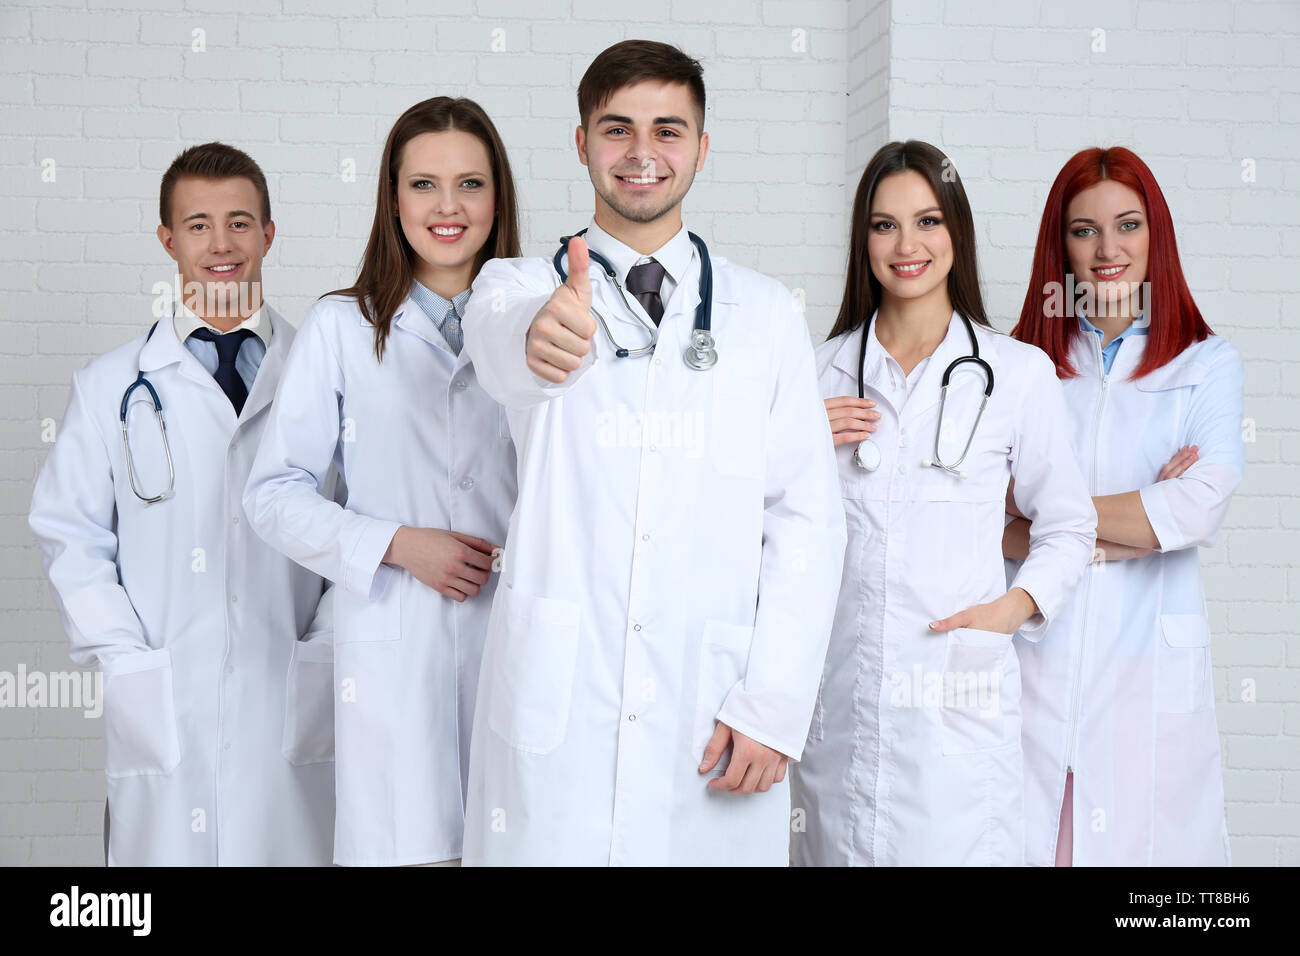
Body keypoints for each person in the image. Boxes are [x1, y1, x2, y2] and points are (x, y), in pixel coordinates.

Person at [459, 40, 846, 866]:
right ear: (581, 143)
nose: (642, 153)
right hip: (557, 714)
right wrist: (540, 338)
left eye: (668, 130)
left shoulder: (766, 314)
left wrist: (772, 706)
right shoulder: (514, 287)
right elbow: (502, 349)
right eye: (617, 129)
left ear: (702, 148)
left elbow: (808, 521)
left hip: (710, 713)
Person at [790, 140, 1097, 866]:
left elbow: (1069, 526)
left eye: (928, 221)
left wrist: (1009, 612)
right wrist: (794, 442)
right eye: (884, 224)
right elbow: (769, 527)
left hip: (957, 699)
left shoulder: (1016, 375)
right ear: (863, 240)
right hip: (842, 695)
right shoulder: (817, 372)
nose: (907, 245)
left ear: (955, 231)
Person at [29, 142, 336, 866]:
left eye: (239, 222)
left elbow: (357, 532)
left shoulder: (321, 375)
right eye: (198, 225)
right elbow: (69, 536)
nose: (220, 244)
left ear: (269, 232)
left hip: (291, 697)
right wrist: (127, 659)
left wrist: (324, 648)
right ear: (167, 239)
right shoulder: (109, 386)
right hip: (163, 698)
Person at [244, 97, 519, 867]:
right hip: (395, 651)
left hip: (515, 640)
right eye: (423, 184)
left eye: (470, 183)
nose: (448, 207)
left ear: (498, 198)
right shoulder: (341, 325)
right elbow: (271, 493)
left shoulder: (541, 325)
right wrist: (397, 543)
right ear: (393, 199)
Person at [1006, 146, 1245, 867]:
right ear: (1061, 247)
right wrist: (1142, 521)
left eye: (1128, 225)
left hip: (1147, 667)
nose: (1108, 250)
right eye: (1084, 231)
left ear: (1156, 236)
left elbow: (1198, 509)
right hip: (1034, 662)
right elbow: (985, 516)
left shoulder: (1206, 364)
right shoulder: (1021, 365)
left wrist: (1048, 520)